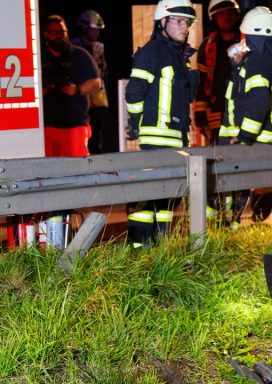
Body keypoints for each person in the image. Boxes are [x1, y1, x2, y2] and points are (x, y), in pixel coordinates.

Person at [124, 0, 198, 247]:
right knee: (151, 194)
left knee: (168, 196)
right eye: (178, 21)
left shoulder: (179, 56)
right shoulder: (151, 53)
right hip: (156, 138)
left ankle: (160, 245)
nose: (184, 27)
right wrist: (136, 125)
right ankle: (140, 244)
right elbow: (134, 93)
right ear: (162, 22)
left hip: (176, 137)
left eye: (187, 22)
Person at [216, 6, 272, 226]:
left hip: (251, 137)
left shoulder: (257, 61)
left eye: (245, 36)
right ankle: (238, 218)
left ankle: (226, 227)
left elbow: (259, 100)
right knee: (243, 185)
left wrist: (244, 136)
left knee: (229, 186)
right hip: (270, 134)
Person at [41, 15, 101, 158]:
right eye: (54, 32)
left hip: (74, 125)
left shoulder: (79, 55)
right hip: (45, 125)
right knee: (46, 171)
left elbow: (96, 81)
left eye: (62, 32)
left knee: (77, 169)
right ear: (46, 34)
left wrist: (77, 90)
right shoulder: (38, 56)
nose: (59, 36)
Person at [195, 0, 241, 144]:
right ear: (214, 18)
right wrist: (200, 112)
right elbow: (202, 83)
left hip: (244, 109)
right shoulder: (207, 47)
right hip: (217, 112)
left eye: (229, 12)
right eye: (221, 14)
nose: (226, 17)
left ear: (236, 15)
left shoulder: (248, 42)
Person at [71, 10, 110, 155]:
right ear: (84, 28)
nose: (96, 33)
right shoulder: (74, 46)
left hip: (98, 97)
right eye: (93, 30)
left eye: (97, 30)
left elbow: (104, 69)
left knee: (98, 132)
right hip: (81, 96)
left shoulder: (99, 47)